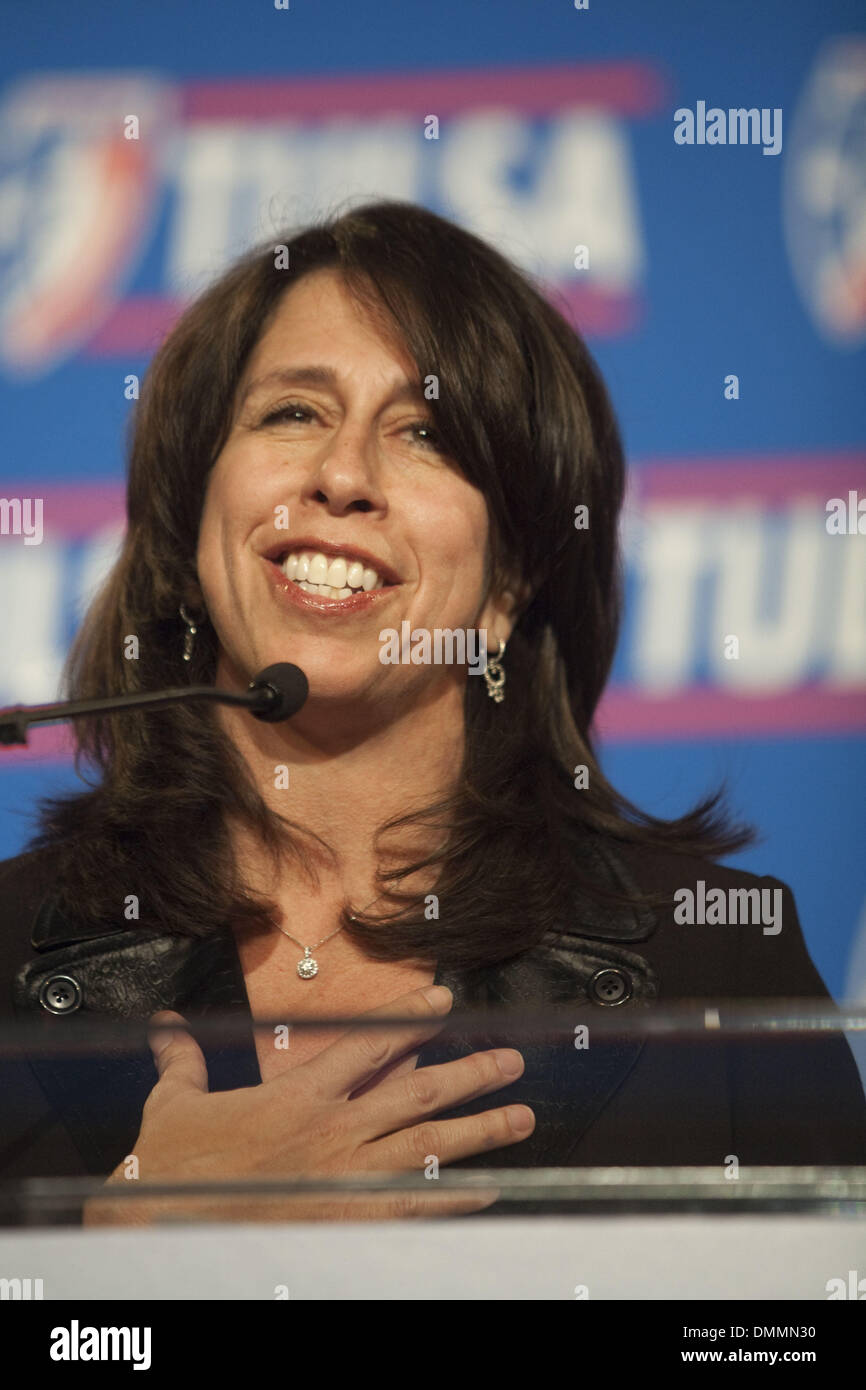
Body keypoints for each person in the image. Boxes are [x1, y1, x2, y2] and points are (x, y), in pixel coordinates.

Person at [0, 200, 863, 1226]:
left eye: (424, 433)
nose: (342, 475)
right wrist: (117, 1259)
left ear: (509, 581)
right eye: (293, 413)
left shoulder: (718, 964)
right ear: (192, 531)